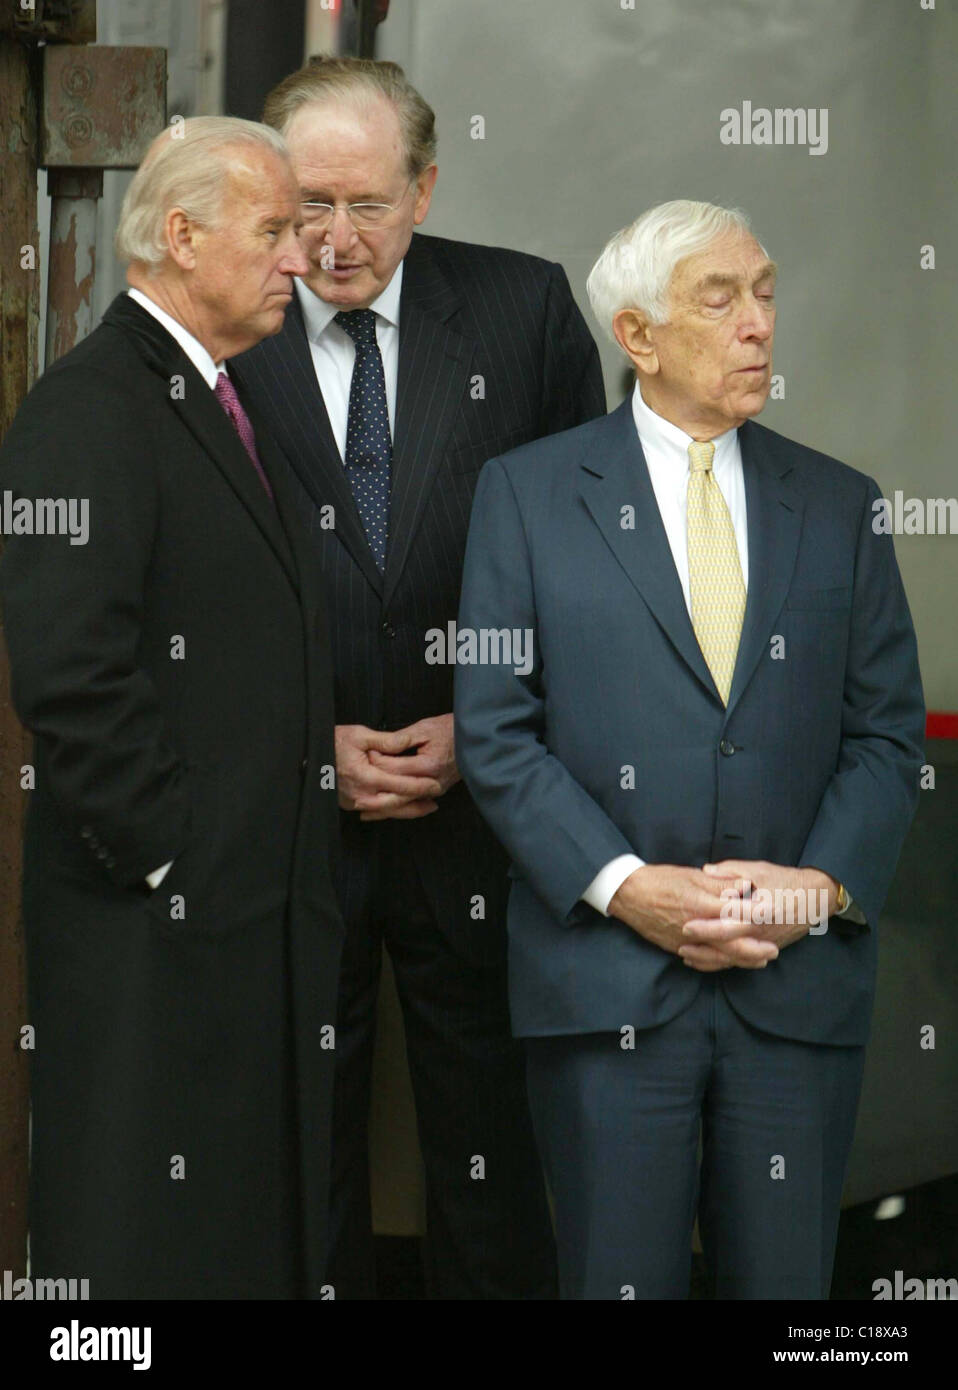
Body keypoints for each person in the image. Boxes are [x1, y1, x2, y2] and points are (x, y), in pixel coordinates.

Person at [454, 199, 925, 1299]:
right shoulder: (524, 496)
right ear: (636, 336)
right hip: (605, 986)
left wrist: (813, 888)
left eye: (764, 292)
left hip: (794, 987)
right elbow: (495, 729)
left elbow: (886, 730)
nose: (759, 322)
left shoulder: (839, 503)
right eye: (721, 298)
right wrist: (627, 889)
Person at [229, 55, 606, 1299]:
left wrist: (491, 728)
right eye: (306, 204)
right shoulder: (222, 322)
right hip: (290, 817)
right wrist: (302, 746)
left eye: (368, 205)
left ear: (426, 190)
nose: (334, 242)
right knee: (292, 1152)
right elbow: (186, 590)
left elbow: (591, 569)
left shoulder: (526, 311)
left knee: (492, 1149)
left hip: (482, 819)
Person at [0, 117, 344, 1299]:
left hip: (246, 930)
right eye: (274, 232)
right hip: (158, 939)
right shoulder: (87, 411)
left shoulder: (221, 400)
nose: (298, 261)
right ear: (181, 236)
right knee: (143, 1254)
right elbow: (68, 674)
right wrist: (169, 858)